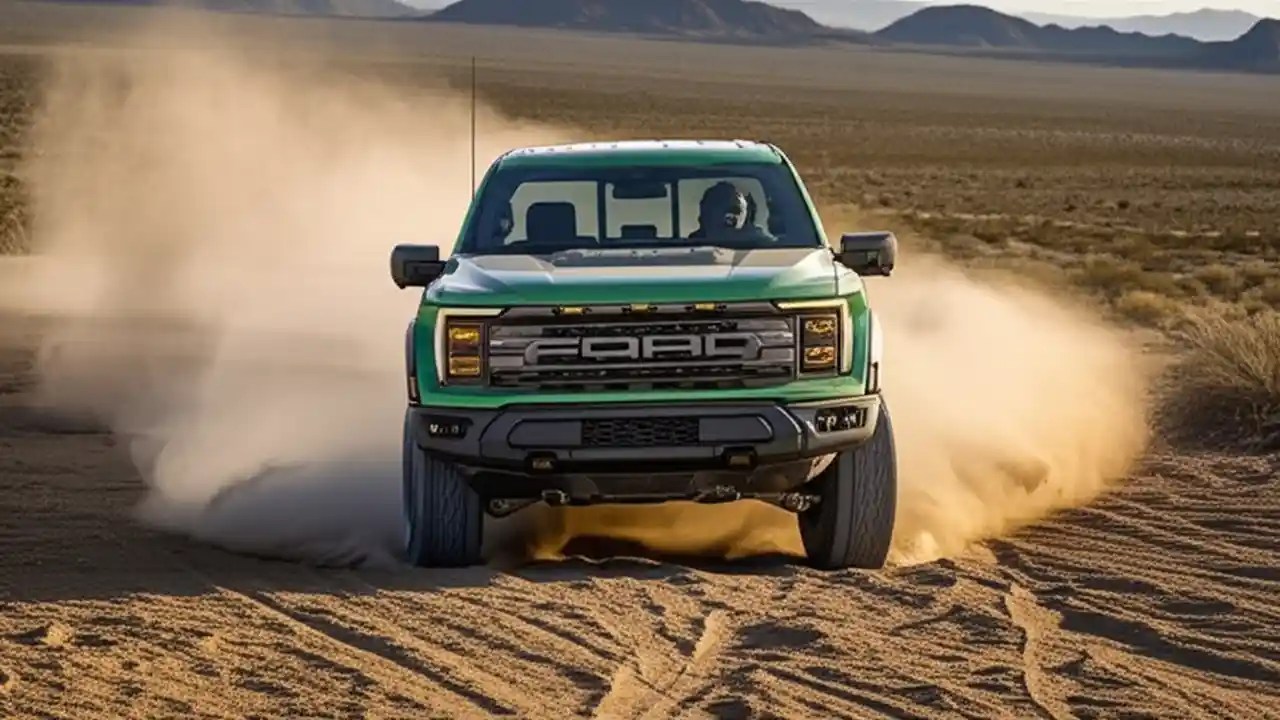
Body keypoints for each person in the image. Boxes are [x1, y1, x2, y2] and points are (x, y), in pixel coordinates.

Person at [690, 181, 774, 244]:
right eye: (719, 206)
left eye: (736, 210)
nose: (729, 216)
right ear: (704, 215)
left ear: (747, 217)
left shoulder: (765, 248)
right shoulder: (686, 250)